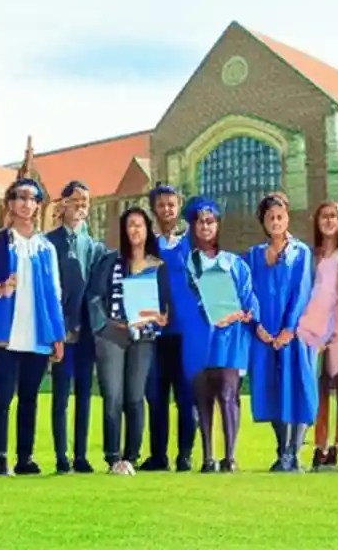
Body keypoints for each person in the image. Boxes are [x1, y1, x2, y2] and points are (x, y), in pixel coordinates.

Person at [0, 178, 66, 477]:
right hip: (6, 335)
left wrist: (58, 335)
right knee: (2, 398)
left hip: (37, 335)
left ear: (38, 206)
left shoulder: (45, 248)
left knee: (30, 399)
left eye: (32, 198)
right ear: (10, 203)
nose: (26, 203)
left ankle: (25, 458)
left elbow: (54, 294)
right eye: (20, 197)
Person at [85, 206, 171, 475]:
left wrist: (160, 319)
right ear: (124, 230)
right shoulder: (110, 262)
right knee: (113, 395)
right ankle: (113, 457)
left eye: (140, 225)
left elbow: (164, 307)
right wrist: (107, 325)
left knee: (135, 397)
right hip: (112, 335)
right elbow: (95, 297)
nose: (135, 229)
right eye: (130, 224)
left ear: (148, 230)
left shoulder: (157, 266)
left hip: (143, 338)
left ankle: (131, 457)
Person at [177, 197, 259, 473]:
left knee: (227, 394)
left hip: (229, 338)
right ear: (193, 227)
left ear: (218, 225)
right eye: (200, 222)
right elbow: (182, 299)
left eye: (210, 221)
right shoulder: (187, 264)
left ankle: (230, 456)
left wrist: (244, 314)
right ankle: (208, 457)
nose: (205, 227)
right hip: (199, 336)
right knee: (202, 397)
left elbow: (249, 300)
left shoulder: (234, 263)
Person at [246, 192, 316, 472]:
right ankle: (281, 450)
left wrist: (289, 328)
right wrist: (258, 326)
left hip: (294, 334)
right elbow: (248, 292)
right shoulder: (253, 255)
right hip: (264, 334)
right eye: (270, 217)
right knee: (271, 390)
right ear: (263, 221)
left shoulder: (301, 252)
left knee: (297, 387)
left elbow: (302, 291)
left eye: (280, 216)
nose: (275, 221)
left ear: (287, 218)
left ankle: (294, 453)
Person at [45, 180, 104, 474]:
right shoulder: (49, 243)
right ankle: (61, 456)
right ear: (63, 203)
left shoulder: (94, 246)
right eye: (77, 200)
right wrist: (57, 329)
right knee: (61, 395)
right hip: (62, 332)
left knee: (84, 394)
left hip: (87, 334)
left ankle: (81, 455)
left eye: (86, 202)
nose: (82, 206)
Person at [140, 184, 197, 472]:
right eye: (161, 204)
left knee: (187, 396)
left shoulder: (190, 243)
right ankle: (158, 455)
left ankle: (185, 454)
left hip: (186, 332)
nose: (166, 209)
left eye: (171, 204)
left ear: (178, 207)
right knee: (156, 396)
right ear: (154, 209)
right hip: (155, 333)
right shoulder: (146, 245)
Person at [296, 201, 338, 471]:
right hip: (313, 333)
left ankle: (335, 447)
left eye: (333, 216)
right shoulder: (315, 256)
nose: (329, 221)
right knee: (318, 394)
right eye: (324, 217)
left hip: (337, 333)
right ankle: (318, 447)